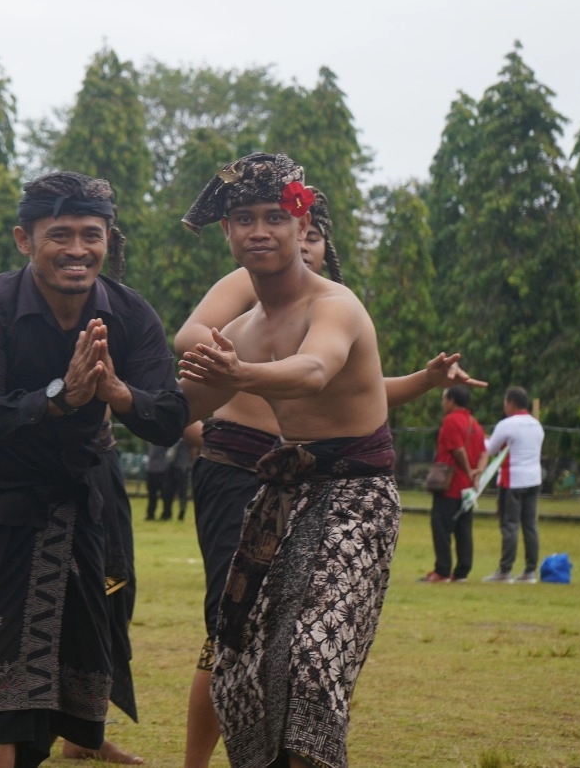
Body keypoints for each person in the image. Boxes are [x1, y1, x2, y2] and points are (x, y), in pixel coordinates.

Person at [173, 184, 481, 768]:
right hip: (250, 478)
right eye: (246, 219)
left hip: (339, 491)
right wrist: (118, 393)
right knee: (236, 649)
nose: (264, 232)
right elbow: (182, 371)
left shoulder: (330, 304)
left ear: (304, 227)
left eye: (283, 221)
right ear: (229, 232)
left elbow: (327, 375)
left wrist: (422, 378)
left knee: (308, 662)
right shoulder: (247, 303)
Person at [0, 170, 188, 768]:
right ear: (25, 240)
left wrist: (119, 395)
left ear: (109, 238)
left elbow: (169, 416)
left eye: (91, 235)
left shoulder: (128, 315)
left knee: (64, 679)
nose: (78, 250)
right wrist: (59, 399)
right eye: (61, 235)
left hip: (78, 511)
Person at [422, 384, 486, 583]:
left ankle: (442, 570)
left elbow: (458, 450)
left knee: (441, 527)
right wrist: (477, 473)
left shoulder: (450, 421)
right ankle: (462, 572)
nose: (443, 404)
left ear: (451, 401)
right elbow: (485, 452)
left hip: (450, 486)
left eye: (444, 399)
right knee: (463, 529)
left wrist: (467, 471)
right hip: (468, 488)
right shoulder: (474, 423)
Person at [481, 386, 545, 584]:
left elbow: (491, 450)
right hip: (533, 479)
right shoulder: (536, 425)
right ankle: (530, 571)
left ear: (510, 403)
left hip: (513, 480)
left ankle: (505, 570)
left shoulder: (507, 424)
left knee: (509, 525)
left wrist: (482, 439)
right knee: (530, 526)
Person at [143, 443, 173, 521]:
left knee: (165, 494)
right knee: (152, 494)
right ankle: (150, 514)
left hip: (161, 469)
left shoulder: (163, 440)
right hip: (151, 469)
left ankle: (166, 514)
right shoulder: (150, 441)